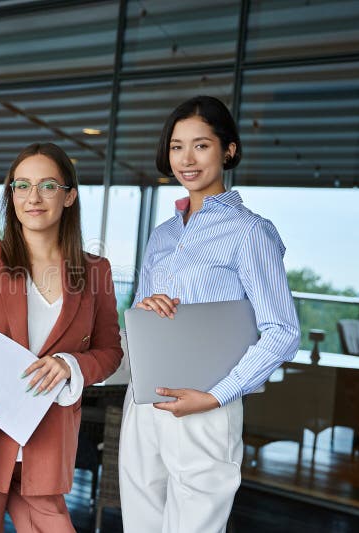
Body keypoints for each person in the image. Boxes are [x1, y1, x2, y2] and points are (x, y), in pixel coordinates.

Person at [118, 95, 301, 533]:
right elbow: (141, 315)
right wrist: (143, 308)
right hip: (145, 402)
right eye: (177, 146)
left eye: (201, 145)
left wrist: (219, 395)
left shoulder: (249, 231)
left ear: (228, 150)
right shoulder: (162, 235)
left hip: (205, 404)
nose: (186, 158)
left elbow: (282, 331)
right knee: (139, 522)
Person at [0, 143, 123, 533]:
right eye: (21, 186)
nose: (33, 197)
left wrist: (71, 365)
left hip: (46, 449)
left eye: (48, 186)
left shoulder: (96, 271)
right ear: (11, 194)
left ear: (69, 196)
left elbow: (110, 351)